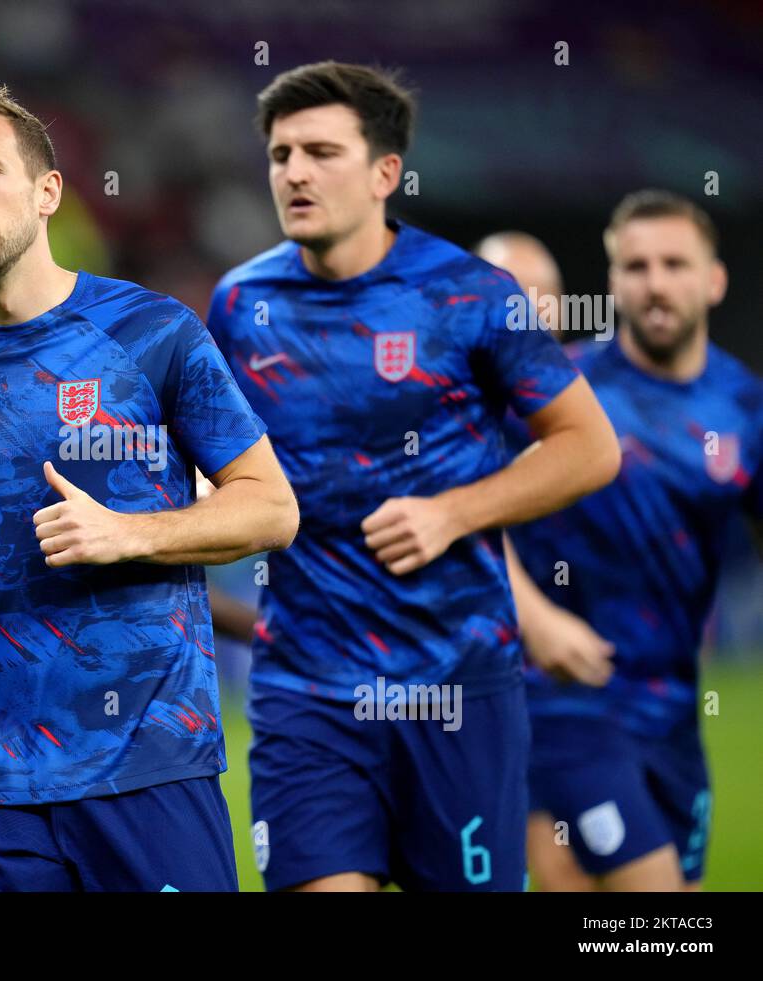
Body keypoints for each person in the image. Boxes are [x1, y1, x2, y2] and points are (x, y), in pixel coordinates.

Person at [0, 83, 299, 892]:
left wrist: (131, 532)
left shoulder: (152, 333)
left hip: (150, 759)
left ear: (47, 193)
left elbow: (272, 505)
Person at [206, 60, 620, 892]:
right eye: (282, 154)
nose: (294, 172)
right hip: (307, 688)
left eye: (320, 151)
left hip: (456, 681)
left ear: (385, 172)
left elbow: (588, 446)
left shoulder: (469, 295)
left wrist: (455, 512)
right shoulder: (240, 303)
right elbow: (224, 472)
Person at [506, 190, 763, 891]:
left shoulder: (744, 407)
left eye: (675, 263)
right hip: (562, 701)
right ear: (613, 281)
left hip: (675, 713)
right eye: (637, 265)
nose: (655, 282)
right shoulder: (561, 392)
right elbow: (467, 511)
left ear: (713, 279)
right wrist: (538, 616)